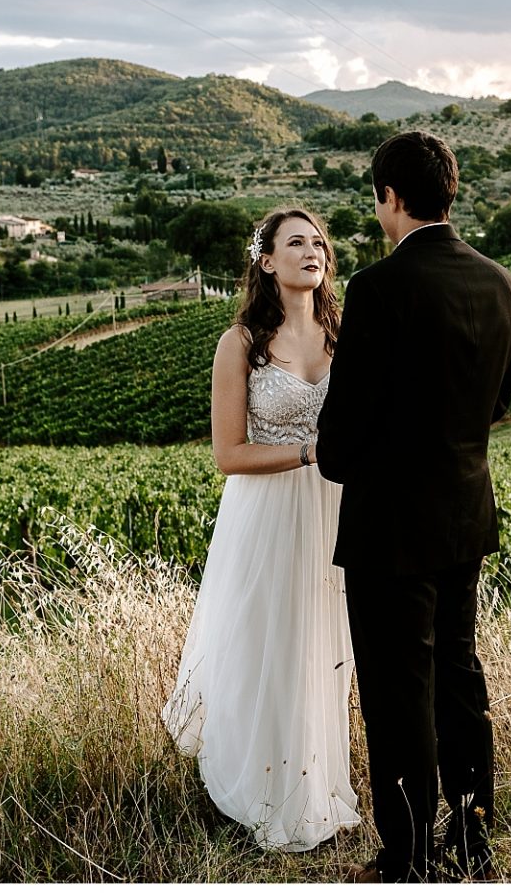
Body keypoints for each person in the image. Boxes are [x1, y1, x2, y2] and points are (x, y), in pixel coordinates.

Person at [315, 131, 511, 883]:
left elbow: (339, 444)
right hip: (465, 515)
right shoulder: (500, 283)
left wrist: (348, 454)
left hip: (389, 529)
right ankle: (472, 839)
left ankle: (406, 858)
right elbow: (498, 403)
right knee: (459, 680)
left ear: (390, 197)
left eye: (378, 199)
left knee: (397, 696)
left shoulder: (379, 288)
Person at [161, 206, 362, 852]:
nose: (312, 251)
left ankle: (315, 786)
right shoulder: (241, 342)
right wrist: (309, 452)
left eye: (319, 242)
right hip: (268, 511)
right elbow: (228, 453)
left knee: (322, 647)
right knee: (269, 645)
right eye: (295, 242)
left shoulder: (344, 334)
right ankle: (263, 788)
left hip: (334, 507)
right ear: (267, 261)